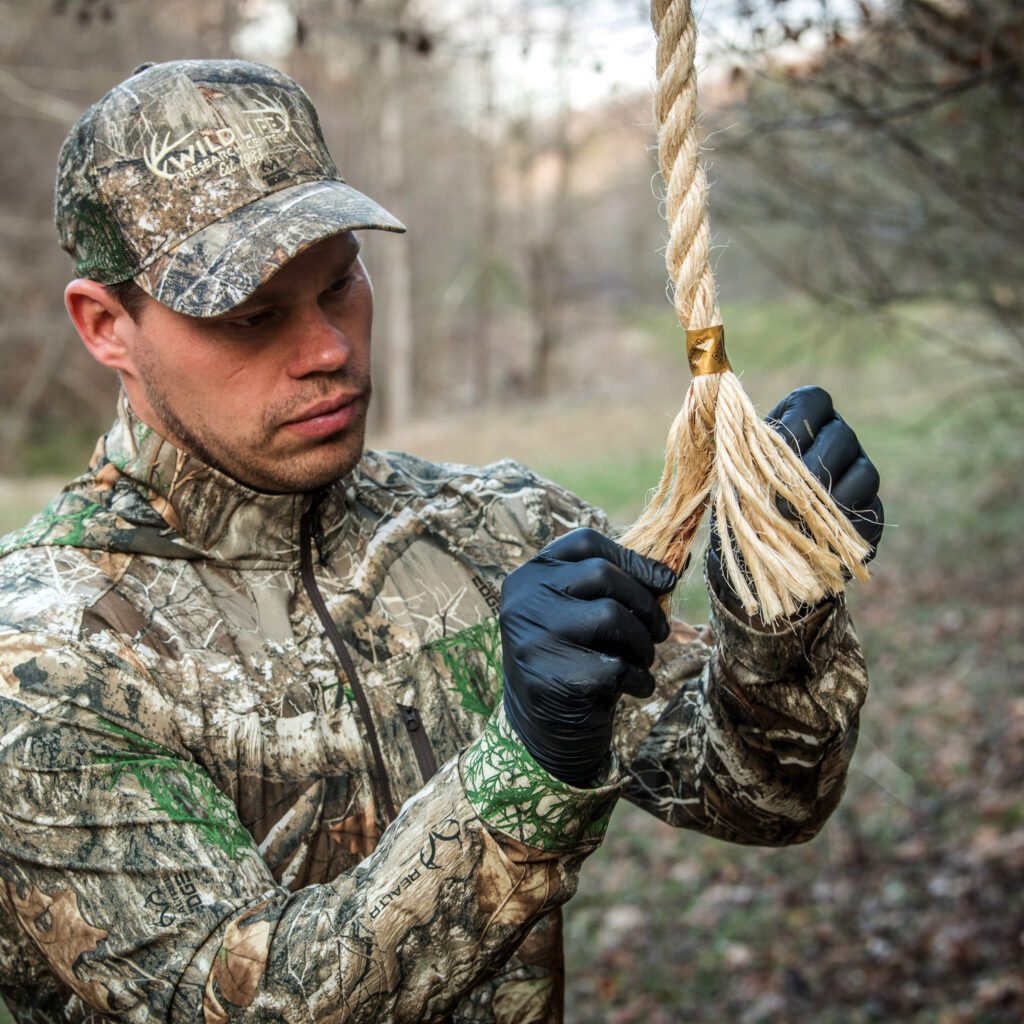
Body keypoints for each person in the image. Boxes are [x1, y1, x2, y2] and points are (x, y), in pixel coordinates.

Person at [0, 59, 883, 1023]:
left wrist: (780, 617)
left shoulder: (491, 532)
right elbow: (242, 1003)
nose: (329, 349)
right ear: (105, 325)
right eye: (252, 318)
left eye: (342, 285)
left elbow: (766, 798)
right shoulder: (44, 660)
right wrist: (530, 762)